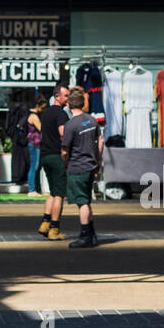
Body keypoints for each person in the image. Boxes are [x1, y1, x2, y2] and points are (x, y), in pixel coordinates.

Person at [61, 87, 104, 249]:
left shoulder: (70, 125)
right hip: (91, 166)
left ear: (69, 104)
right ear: (83, 102)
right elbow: (100, 141)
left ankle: (85, 236)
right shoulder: (91, 121)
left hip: (77, 167)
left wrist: (66, 163)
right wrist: (98, 161)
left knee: (82, 203)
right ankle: (91, 234)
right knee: (86, 200)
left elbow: (65, 151)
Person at [37, 82, 70, 239]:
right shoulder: (61, 114)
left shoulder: (46, 113)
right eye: (66, 96)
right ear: (57, 97)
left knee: (52, 192)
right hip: (57, 156)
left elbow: (43, 135)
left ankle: (45, 223)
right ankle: (54, 229)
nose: (68, 99)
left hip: (45, 155)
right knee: (60, 195)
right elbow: (63, 134)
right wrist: (68, 150)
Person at [26, 96, 45, 197]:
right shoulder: (33, 116)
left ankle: (36, 189)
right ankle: (31, 189)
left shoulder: (35, 115)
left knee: (36, 167)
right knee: (34, 166)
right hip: (34, 144)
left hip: (36, 143)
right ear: (38, 106)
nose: (43, 110)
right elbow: (41, 128)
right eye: (42, 107)